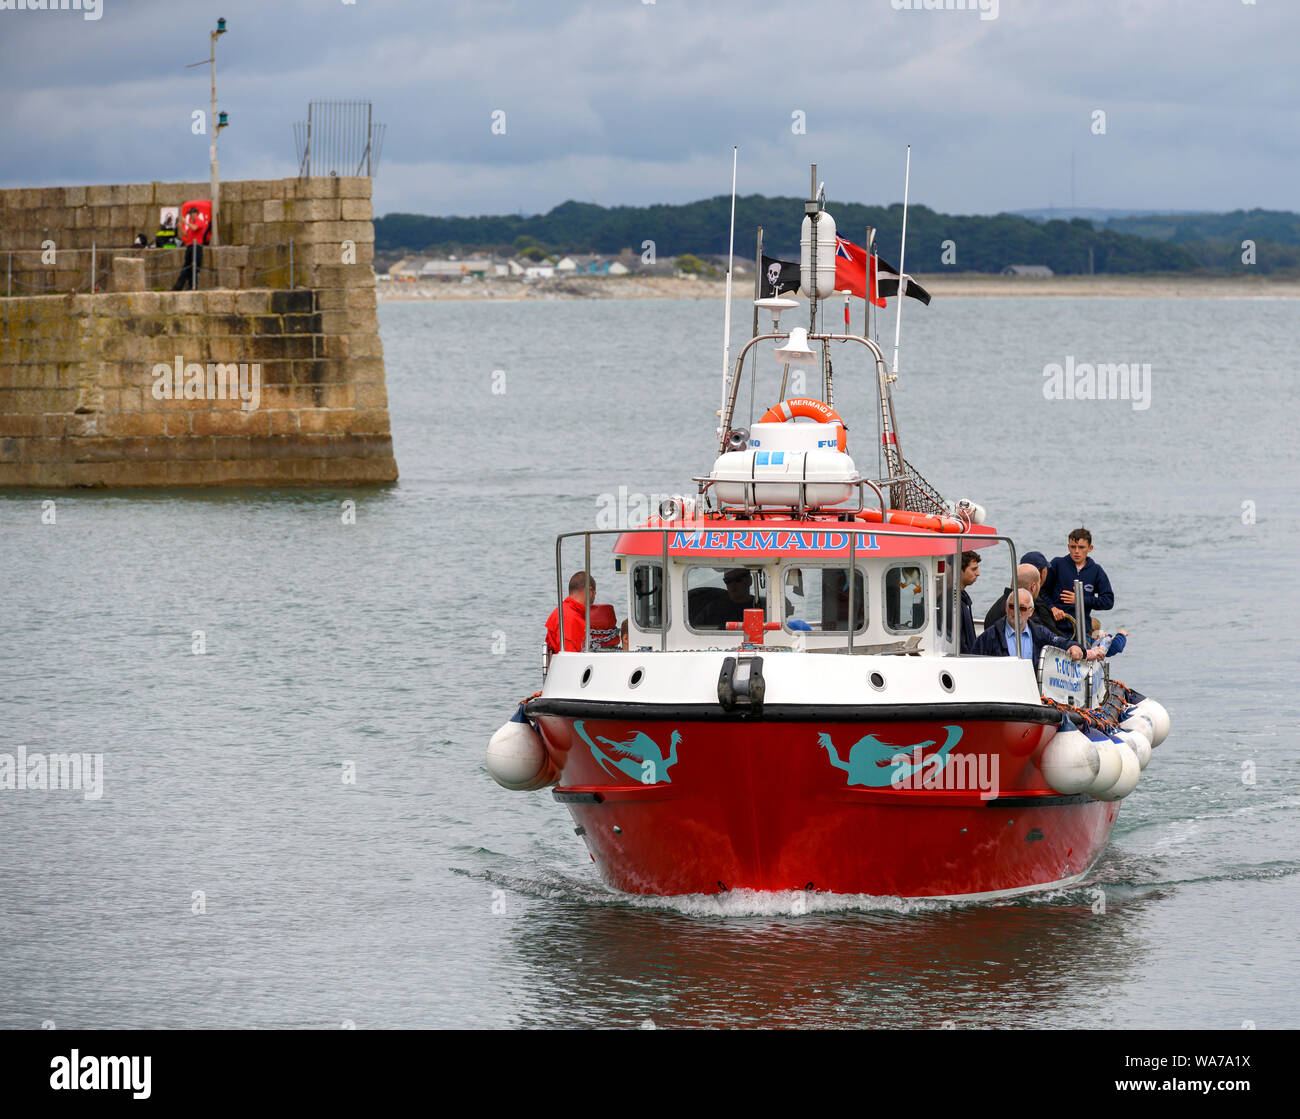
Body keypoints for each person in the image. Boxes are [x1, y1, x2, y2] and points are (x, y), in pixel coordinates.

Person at [973, 590, 1098, 663]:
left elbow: (1059, 642)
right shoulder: (988, 637)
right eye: (1012, 606)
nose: (1016, 612)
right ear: (1006, 608)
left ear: (1031, 612)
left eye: (1022, 608)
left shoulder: (1039, 633)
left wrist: (1074, 646)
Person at [1042, 527, 1114, 640]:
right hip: (1055, 629)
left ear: (1090, 548)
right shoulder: (1057, 564)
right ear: (1068, 547)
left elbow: (1108, 601)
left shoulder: (1096, 570)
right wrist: (1052, 608)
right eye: (1073, 547)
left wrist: (1081, 599)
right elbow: (1041, 592)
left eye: (1081, 547)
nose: (1076, 551)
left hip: (1082, 631)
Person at [546, 572, 595, 654]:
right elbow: (569, 657)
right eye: (594, 594)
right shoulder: (569, 618)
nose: (594, 600)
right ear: (590, 591)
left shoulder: (562, 612)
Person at [694, 568, 760, 629]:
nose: (732, 585)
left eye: (738, 579)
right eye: (728, 581)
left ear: (750, 580)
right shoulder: (712, 609)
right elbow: (696, 630)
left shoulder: (762, 606)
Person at [172, 203, 210, 291]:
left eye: (193, 214)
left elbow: (194, 228)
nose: (191, 216)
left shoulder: (199, 221)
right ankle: (181, 285)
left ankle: (193, 285)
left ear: (196, 214)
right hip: (190, 246)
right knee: (187, 266)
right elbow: (186, 234)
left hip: (197, 246)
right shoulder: (191, 223)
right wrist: (180, 227)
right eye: (190, 214)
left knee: (195, 266)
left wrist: (186, 222)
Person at [959, 550, 980, 653]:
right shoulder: (957, 604)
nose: (978, 573)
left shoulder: (963, 600)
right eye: (973, 569)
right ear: (960, 570)